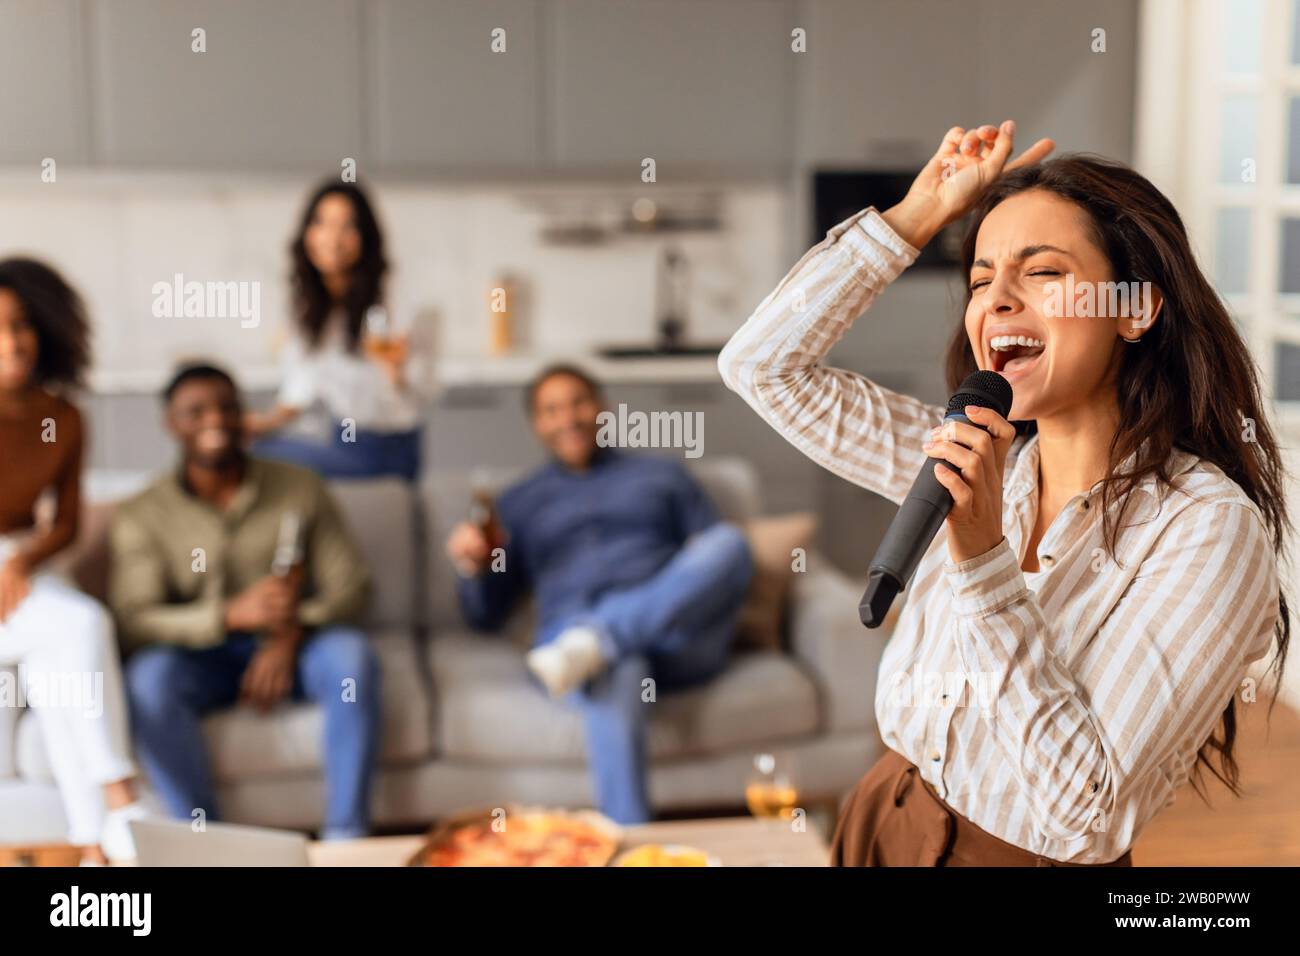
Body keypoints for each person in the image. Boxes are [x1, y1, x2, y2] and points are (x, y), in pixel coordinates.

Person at [720, 121, 1289, 867]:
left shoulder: (1206, 529)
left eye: (1042, 272)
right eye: (981, 279)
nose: (997, 300)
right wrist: (918, 214)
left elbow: (1085, 810)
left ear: (1134, 308)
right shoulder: (986, 461)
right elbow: (762, 367)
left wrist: (984, 560)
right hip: (884, 815)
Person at [445, 364, 754, 824]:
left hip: (675, 637)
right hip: (579, 639)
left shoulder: (662, 475)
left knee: (730, 543)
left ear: (602, 408)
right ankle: (631, 840)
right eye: (552, 410)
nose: (568, 418)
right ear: (536, 424)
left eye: (579, 403)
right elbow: (485, 615)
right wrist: (473, 567)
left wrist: (643, 614)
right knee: (619, 664)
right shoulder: (516, 504)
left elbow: (713, 565)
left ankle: (598, 637)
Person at [111, 363, 381, 840]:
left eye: (227, 407)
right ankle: (205, 843)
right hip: (200, 660)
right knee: (148, 680)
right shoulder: (142, 514)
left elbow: (353, 588)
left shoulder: (300, 487)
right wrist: (227, 616)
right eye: (196, 411)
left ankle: (346, 840)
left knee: (352, 660)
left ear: (244, 415)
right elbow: (134, 620)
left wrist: (290, 630)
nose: (215, 419)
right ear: (171, 424)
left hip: (296, 649)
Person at [0, 257, 149, 864]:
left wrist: (20, 562)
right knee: (84, 624)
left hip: (27, 564)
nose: (12, 342)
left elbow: (65, 524)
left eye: (21, 324)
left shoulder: (61, 419)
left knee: (55, 671)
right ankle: (121, 793)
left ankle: (92, 846)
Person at [246, 180, 429, 481]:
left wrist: (397, 375)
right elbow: (301, 386)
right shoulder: (311, 307)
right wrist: (263, 424)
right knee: (252, 450)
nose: (333, 238)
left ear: (365, 237)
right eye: (322, 223)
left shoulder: (395, 301)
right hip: (341, 439)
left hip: (387, 449)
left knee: (259, 461)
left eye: (347, 226)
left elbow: (417, 397)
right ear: (307, 233)